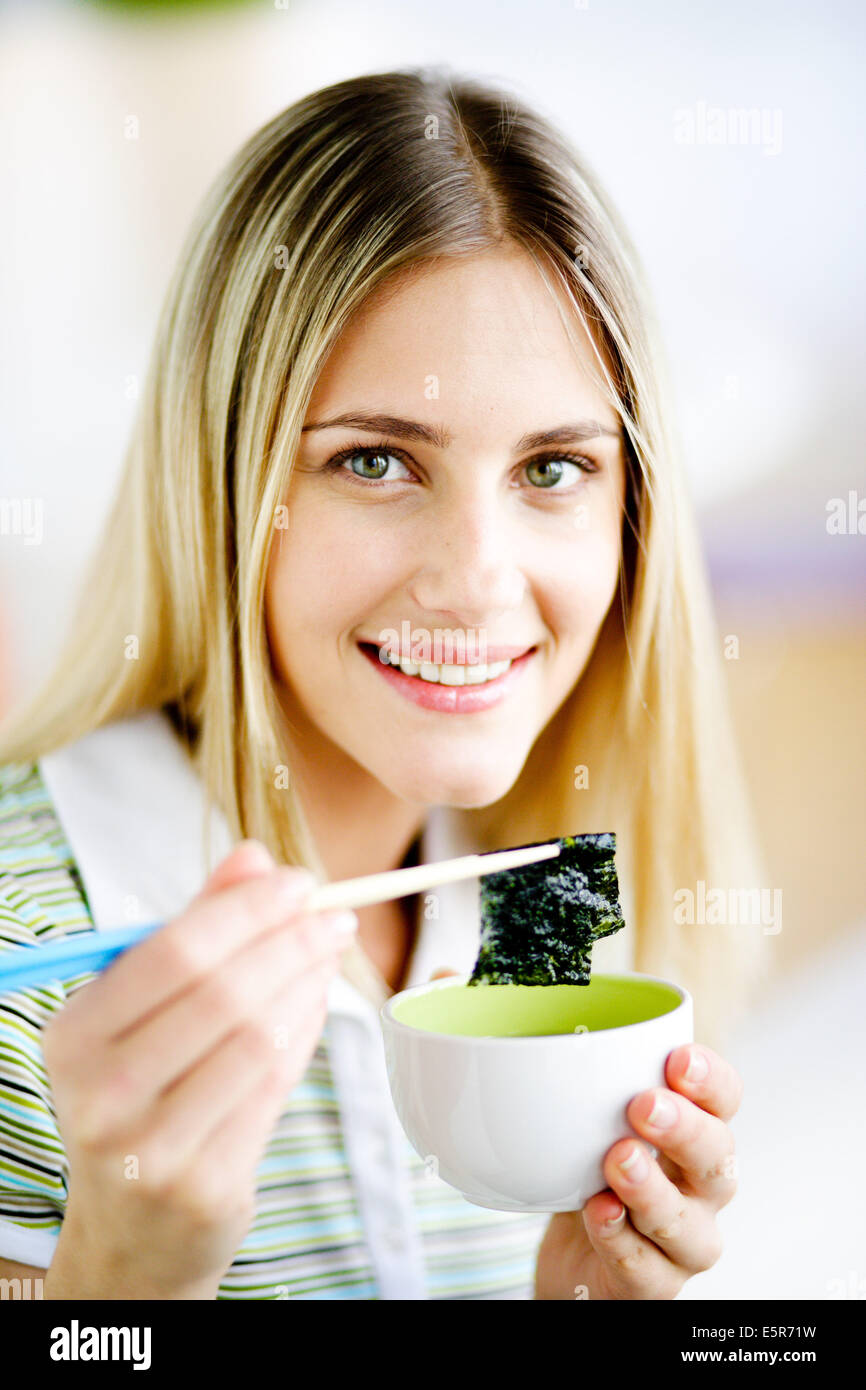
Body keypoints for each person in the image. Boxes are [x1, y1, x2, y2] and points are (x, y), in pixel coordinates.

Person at [0, 66, 771, 1300]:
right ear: (223, 488)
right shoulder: (25, 939)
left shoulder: (555, 917)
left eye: (553, 468)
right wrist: (118, 1286)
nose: (475, 578)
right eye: (373, 460)